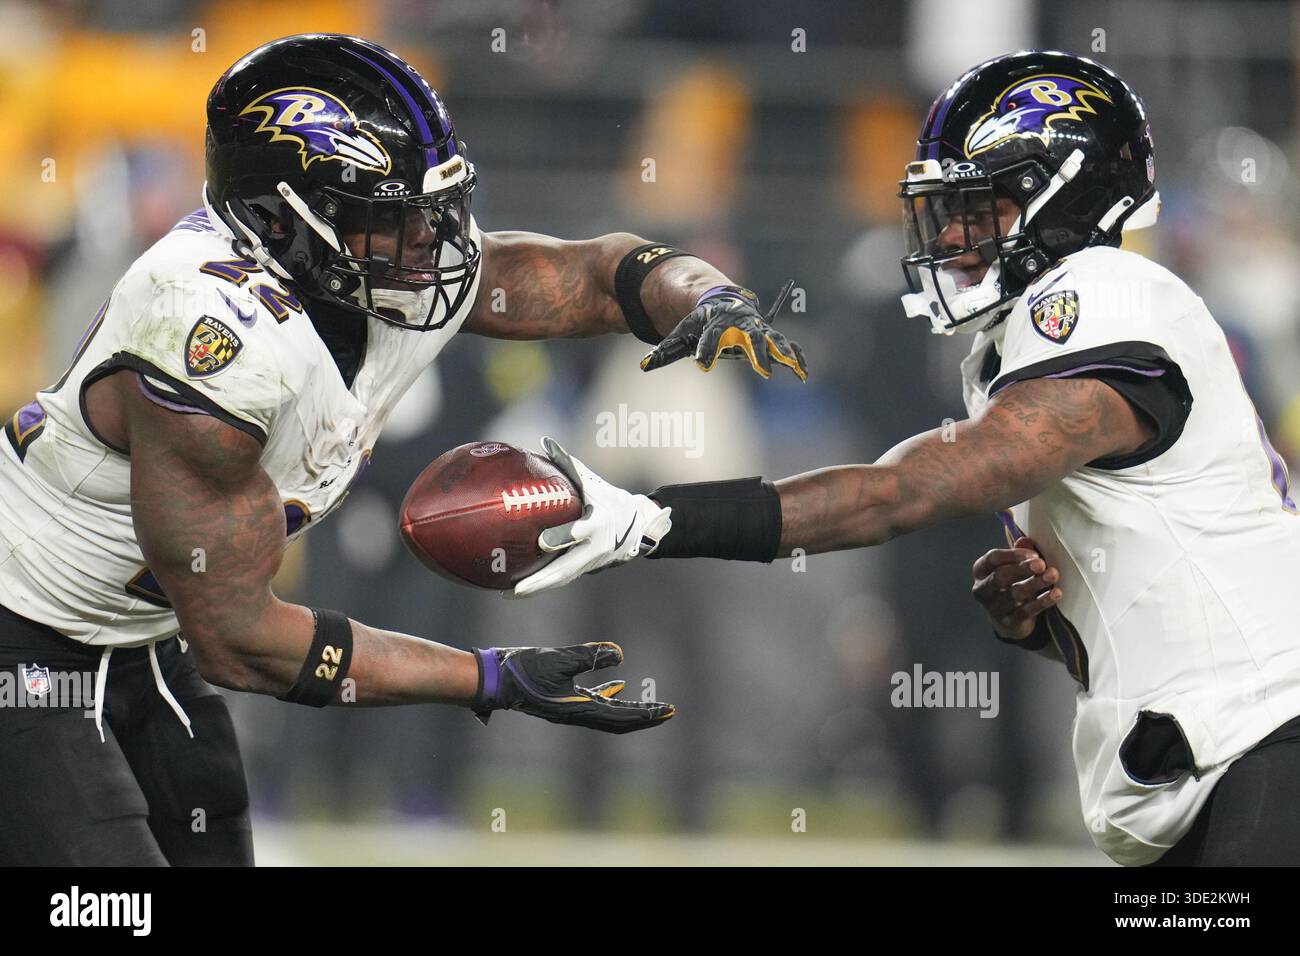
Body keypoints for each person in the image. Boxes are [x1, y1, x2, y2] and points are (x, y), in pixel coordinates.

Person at [0, 33, 806, 866]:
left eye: (434, 211)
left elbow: (596, 274)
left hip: (142, 637)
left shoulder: (372, 267)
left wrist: (705, 293)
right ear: (284, 217)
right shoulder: (208, 331)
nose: (430, 243)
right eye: (393, 219)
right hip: (24, 633)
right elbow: (241, 640)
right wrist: (489, 678)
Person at [518, 50, 1300, 866]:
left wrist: (657, 518)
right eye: (947, 206)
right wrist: (1041, 626)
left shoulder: (1106, 289)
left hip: (1261, 738)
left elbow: (909, 490)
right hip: (1212, 757)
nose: (953, 233)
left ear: (1067, 196)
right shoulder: (1023, 339)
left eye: (983, 205)